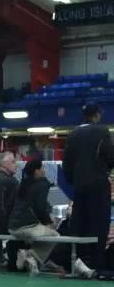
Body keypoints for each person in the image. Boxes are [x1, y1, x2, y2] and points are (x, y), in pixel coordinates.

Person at [62, 103, 114, 276]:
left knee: (81, 223)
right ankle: (97, 264)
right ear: (97, 115)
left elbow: (66, 164)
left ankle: (79, 262)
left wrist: (74, 181)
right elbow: (110, 157)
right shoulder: (102, 132)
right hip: (98, 185)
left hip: (80, 186)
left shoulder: (72, 134)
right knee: (99, 225)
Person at [9, 158, 64, 276]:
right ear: (36, 171)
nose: (44, 171)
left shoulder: (22, 184)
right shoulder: (42, 184)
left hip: (12, 227)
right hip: (26, 226)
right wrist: (49, 223)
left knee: (40, 236)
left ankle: (32, 258)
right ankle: (30, 256)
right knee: (54, 236)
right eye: (42, 168)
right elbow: (40, 208)